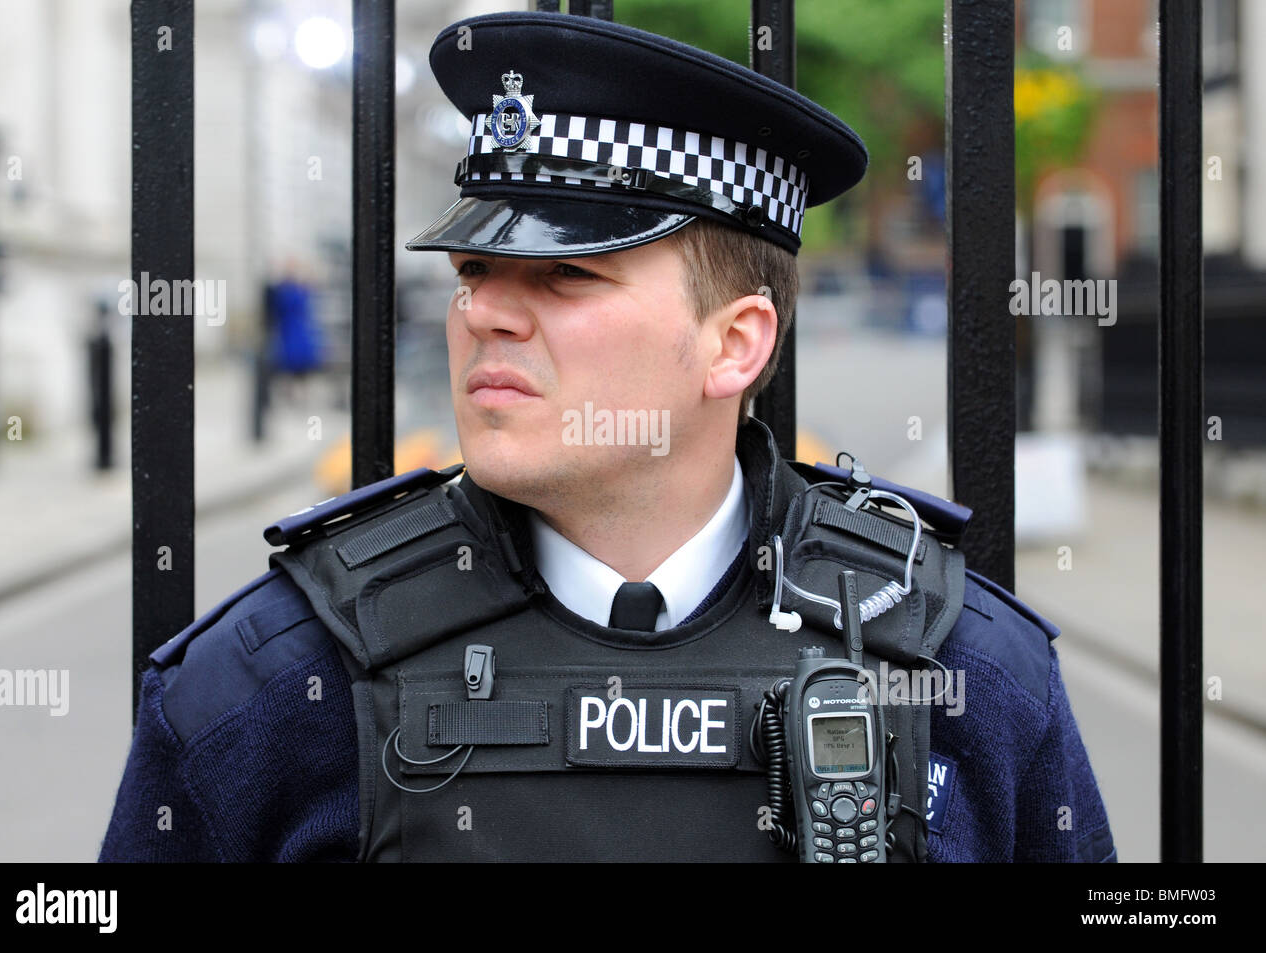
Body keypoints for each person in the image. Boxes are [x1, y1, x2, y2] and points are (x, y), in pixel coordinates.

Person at [98, 11, 1115, 863]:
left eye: (565, 275)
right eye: (472, 274)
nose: (484, 315)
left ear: (735, 345)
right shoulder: (272, 690)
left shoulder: (962, 678)